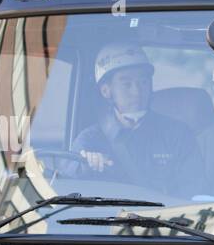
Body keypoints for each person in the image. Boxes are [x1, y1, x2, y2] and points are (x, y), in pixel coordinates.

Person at [69, 43, 202, 193]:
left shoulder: (177, 134)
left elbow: (194, 190)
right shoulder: (90, 140)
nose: (137, 91)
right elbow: (68, 181)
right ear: (106, 91)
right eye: (127, 84)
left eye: (143, 82)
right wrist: (85, 165)